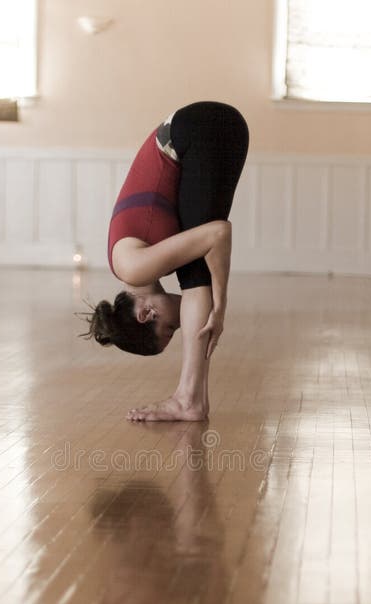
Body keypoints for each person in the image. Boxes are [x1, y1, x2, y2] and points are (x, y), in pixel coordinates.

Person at [83, 101, 249, 421]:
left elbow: (218, 234)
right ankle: (192, 398)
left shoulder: (133, 266)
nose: (181, 326)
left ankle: (189, 399)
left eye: (170, 327)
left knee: (196, 276)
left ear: (146, 312)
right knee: (195, 271)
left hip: (197, 129)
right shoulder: (140, 266)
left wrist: (220, 309)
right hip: (211, 127)